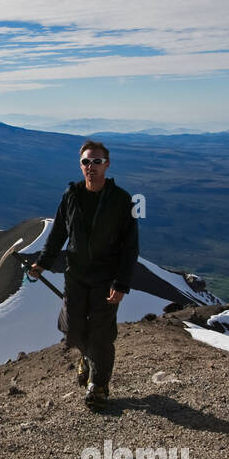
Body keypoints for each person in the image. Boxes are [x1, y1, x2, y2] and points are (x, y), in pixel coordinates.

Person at [27, 139, 139, 410]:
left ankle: (99, 386)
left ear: (107, 164)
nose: (91, 166)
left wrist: (121, 282)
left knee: (101, 333)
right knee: (73, 328)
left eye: (97, 161)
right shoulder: (71, 197)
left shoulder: (122, 200)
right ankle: (86, 357)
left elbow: (130, 245)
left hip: (106, 278)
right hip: (75, 275)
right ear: (81, 166)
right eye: (86, 162)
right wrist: (43, 263)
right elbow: (57, 235)